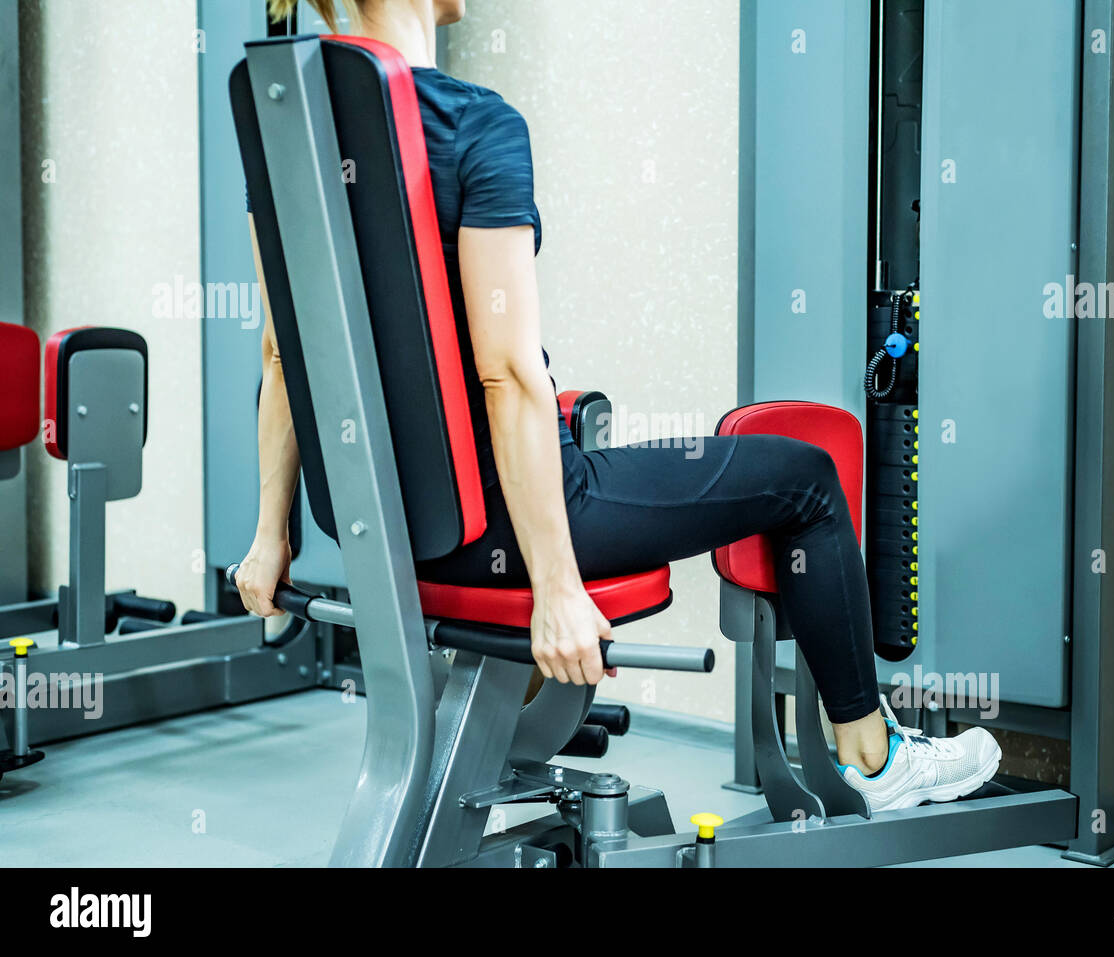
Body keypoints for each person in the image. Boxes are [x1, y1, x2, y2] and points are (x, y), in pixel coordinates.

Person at [234, 0, 1001, 812]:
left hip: (389, 536)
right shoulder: (474, 124)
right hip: (512, 526)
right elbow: (508, 376)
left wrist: (266, 538)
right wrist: (559, 588)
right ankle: (873, 758)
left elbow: (284, 352)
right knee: (806, 477)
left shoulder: (293, 133)